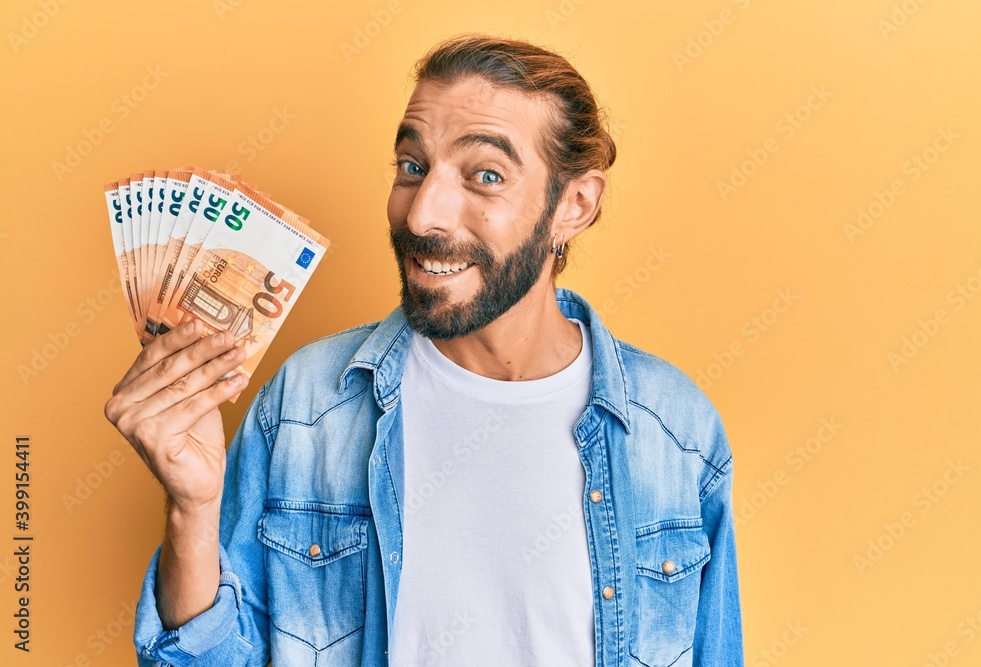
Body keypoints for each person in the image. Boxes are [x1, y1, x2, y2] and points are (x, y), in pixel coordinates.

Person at [104, 34, 744, 667]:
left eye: (485, 175)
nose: (421, 216)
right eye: (413, 168)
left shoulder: (674, 429)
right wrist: (192, 509)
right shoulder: (307, 405)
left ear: (573, 205)